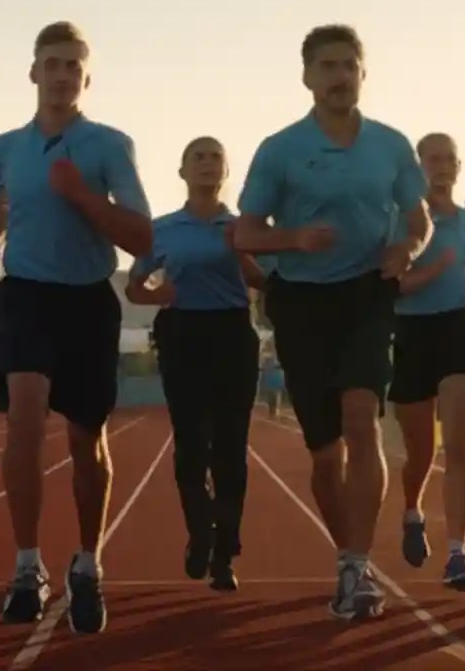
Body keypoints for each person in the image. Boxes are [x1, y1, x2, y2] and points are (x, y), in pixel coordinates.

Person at [233, 23, 432, 621]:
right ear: (307, 77)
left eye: (349, 65)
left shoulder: (393, 146)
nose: (339, 76)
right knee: (326, 455)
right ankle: (346, 552)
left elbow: (418, 220)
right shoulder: (280, 149)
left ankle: (357, 566)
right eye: (327, 66)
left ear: (363, 74)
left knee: (362, 419)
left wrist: (406, 251)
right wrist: (294, 238)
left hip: (367, 296)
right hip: (300, 302)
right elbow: (244, 233)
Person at [0, 21, 152, 633]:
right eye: (51, 63)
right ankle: (27, 565)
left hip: (86, 301)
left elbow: (140, 234)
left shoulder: (109, 145)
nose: (61, 74)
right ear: (33, 72)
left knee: (86, 440)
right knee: (24, 413)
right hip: (24, 294)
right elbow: (1, 208)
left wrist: (83, 198)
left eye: (73, 65)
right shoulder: (2, 148)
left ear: (86, 77)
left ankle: (87, 563)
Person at [125, 136, 264, 593]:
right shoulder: (163, 228)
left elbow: (268, 282)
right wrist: (154, 295)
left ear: (226, 172)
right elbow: (135, 286)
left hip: (231, 335)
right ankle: (199, 532)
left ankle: (225, 552)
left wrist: (243, 254)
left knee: (230, 448)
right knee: (190, 446)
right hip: (182, 335)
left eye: (215, 158)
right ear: (182, 172)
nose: (207, 164)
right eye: (197, 158)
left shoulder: (243, 226)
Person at [390, 132, 465, 592]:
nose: (441, 166)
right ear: (419, 167)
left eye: (448, 159)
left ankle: (458, 552)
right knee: (421, 450)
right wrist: (432, 271)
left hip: (458, 328)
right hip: (412, 332)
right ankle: (412, 510)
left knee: (457, 441)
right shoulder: (401, 220)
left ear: (459, 167)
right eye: (432, 159)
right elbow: (390, 284)